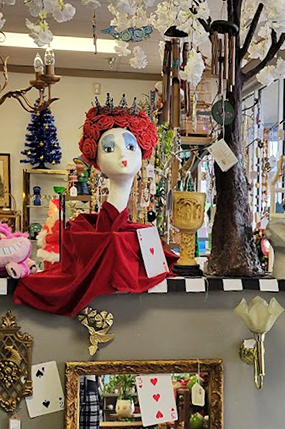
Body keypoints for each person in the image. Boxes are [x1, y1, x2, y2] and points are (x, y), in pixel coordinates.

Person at [14, 96, 176, 316]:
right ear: (96, 160)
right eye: (109, 148)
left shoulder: (143, 235)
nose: (123, 156)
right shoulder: (81, 233)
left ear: (141, 152)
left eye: (130, 146)